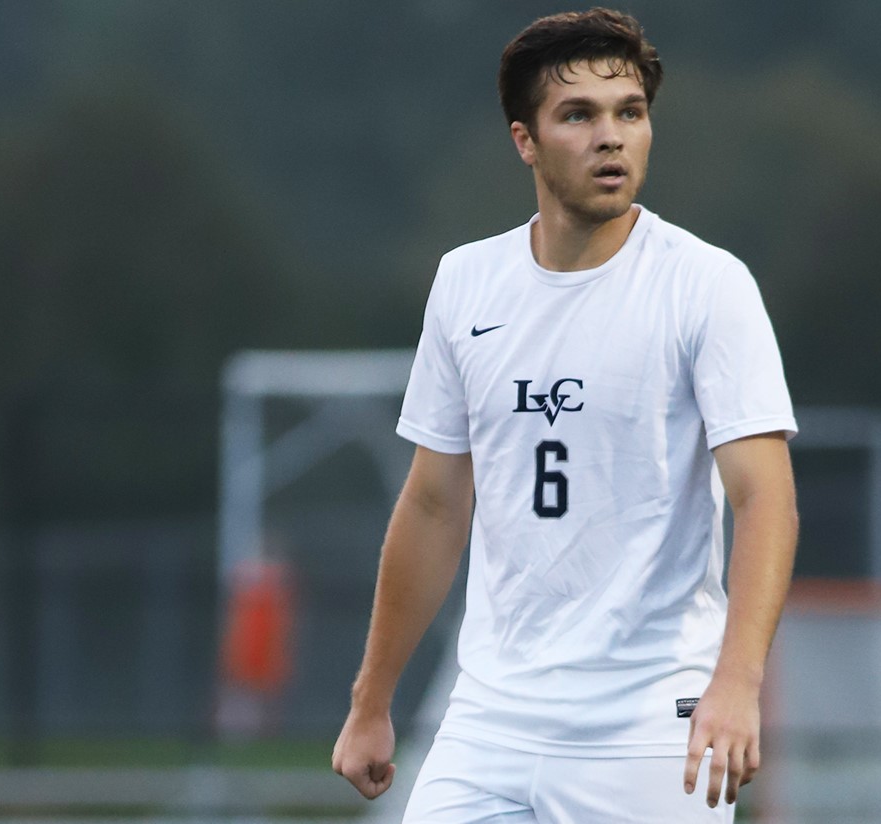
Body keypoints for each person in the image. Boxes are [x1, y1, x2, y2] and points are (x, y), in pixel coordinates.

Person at [331, 8, 798, 822]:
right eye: (578, 116)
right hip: (488, 723)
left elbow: (765, 500)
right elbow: (435, 504)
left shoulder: (706, 286)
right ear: (525, 141)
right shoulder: (465, 284)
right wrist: (372, 701)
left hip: (649, 730)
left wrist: (736, 684)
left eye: (629, 112)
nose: (610, 137)